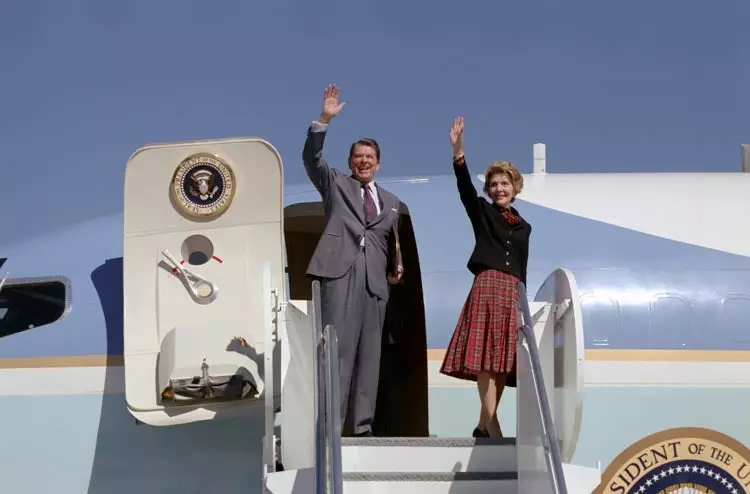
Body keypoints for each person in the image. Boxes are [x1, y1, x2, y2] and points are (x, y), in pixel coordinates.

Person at [302, 84, 403, 437]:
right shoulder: (336, 185)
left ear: (378, 163)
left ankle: (362, 427)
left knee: (369, 359)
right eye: (358, 157)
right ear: (350, 163)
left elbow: (389, 240)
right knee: (337, 354)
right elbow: (312, 160)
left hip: (374, 284)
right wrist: (324, 120)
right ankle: (330, 427)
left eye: (369, 158)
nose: (364, 162)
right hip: (340, 274)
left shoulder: (391, 201)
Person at [439, 116, 532, 438]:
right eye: (493, 184)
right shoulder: (482, 210)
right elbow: (465, 187)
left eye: (504, 183)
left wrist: (523, 299)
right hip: (487, 283)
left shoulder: (524, 226)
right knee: (484, 360)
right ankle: (493, 428)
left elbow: (523, 263)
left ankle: (483, 425)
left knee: (503, 362)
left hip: (512, 290)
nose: (499, 188)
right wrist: (458, 151)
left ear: (515, 187)